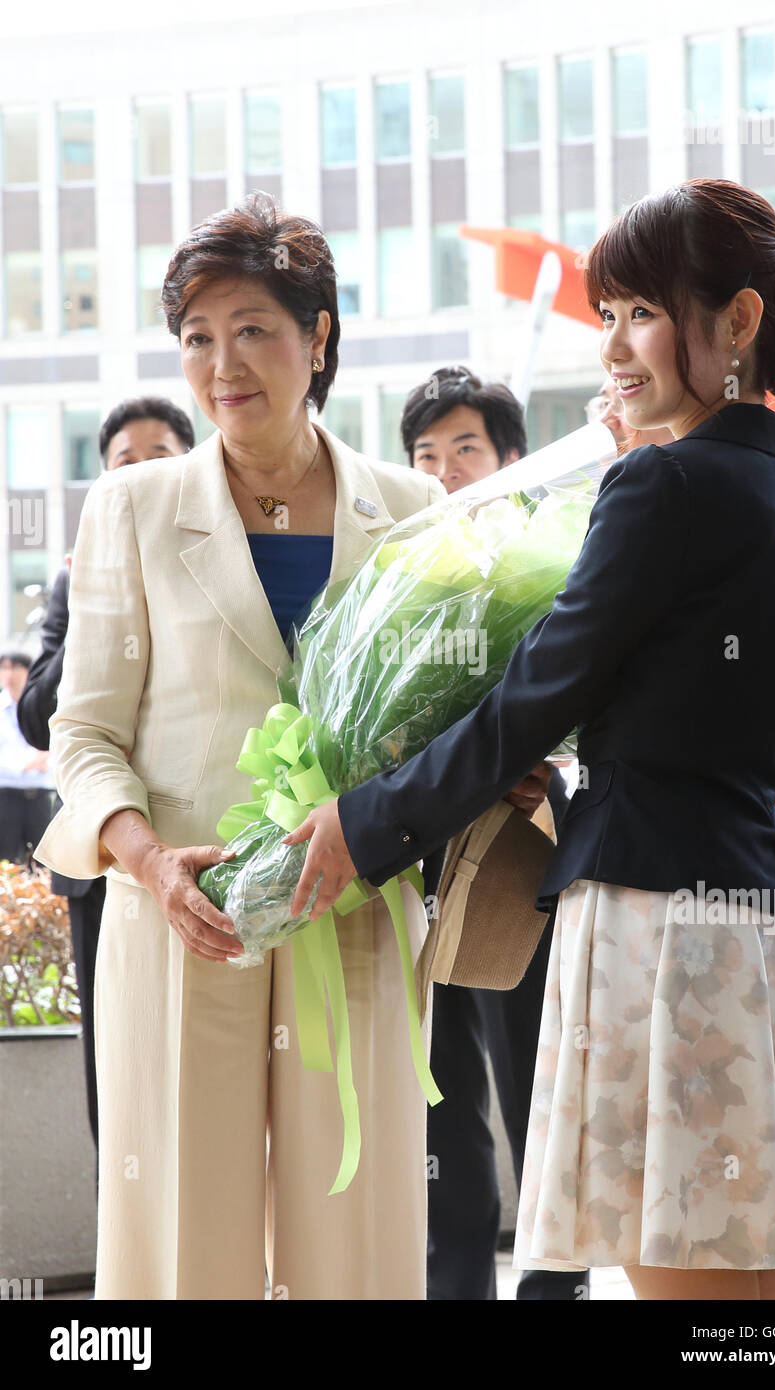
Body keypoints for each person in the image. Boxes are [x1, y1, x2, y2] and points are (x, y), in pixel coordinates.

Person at [285, 178, 775, 1301]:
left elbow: (534, 691)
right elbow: (680, 707)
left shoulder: (663, 481)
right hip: (763, 915)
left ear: (737, 322)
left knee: (688, 1291)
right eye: (605, 316)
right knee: (753, 1290)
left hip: (658, 917)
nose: (612, 346)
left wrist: (368, 822)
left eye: (637, 313)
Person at [33, 192, 541, 1301]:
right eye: (199, 338)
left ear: (318, 340)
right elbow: (84, 729)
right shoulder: (129, 505)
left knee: (354, 1250)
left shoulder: (410, 508)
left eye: (254, 328)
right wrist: (147, 860)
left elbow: (452, 717)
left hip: (352, 913)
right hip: (181, 917)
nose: (224, 363)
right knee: (179, 1248)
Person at [404, 365, 586, 1300]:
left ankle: (559, 1278)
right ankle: (456, 1280)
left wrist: (547, 772)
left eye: (464, 450)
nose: (443, 473)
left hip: (524, 851)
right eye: (426, 455)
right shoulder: (399, 584)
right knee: (439, 1098)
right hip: (420, 859)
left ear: (512, 458)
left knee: (534, 1076)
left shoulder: (559, 563)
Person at [20, 396, 194, 1163]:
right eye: (128, 461)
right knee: (113, 1070)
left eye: (164, 456)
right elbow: (35, 717)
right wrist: (94, 601)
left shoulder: (211, 565)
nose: (146, 473)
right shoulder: (75, 581)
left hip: (200, 845)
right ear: (105, 480)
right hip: (105, 865)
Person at [0, 652, 53, 864]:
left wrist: (41, 761)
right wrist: (24, 765)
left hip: (39, 794)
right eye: (4, 668)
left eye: (16, 668)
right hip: (6, 795)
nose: (9, 674)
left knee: (41, 861)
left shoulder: (42, 706)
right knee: (6, 859)